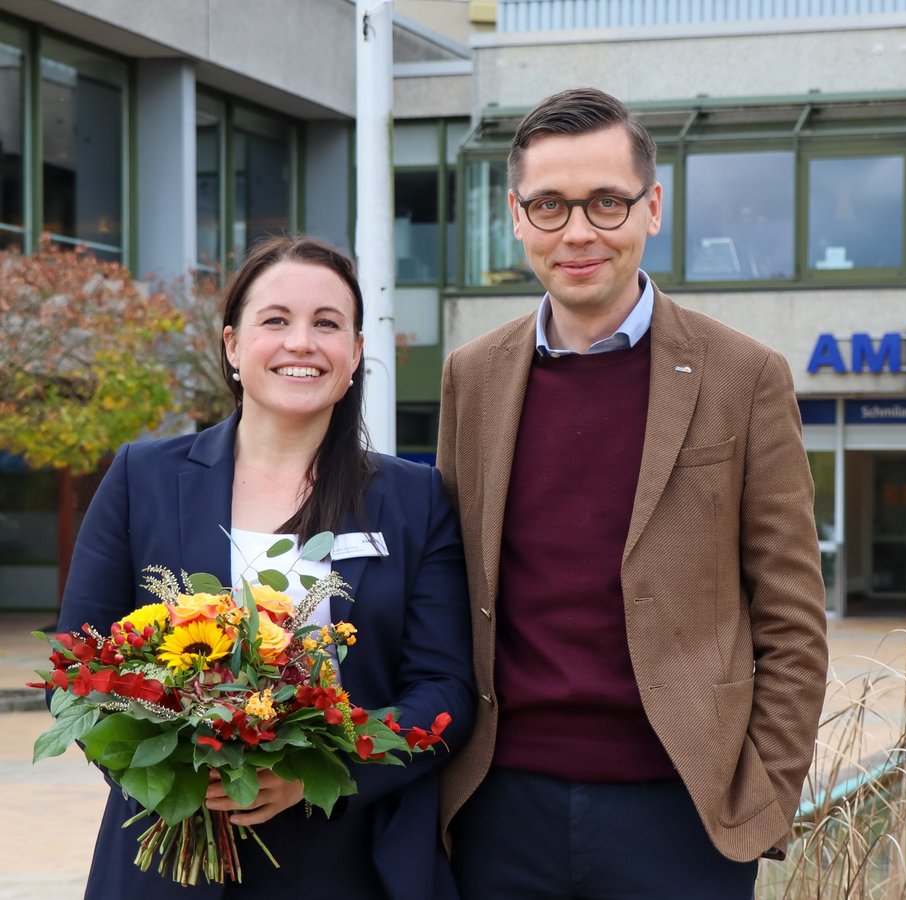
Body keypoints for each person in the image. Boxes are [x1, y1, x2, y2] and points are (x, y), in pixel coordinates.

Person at [437, 87, 829, 899]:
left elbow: (792, 614)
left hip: (681, 815)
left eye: (606, 203)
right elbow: (451, 584)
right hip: (496, 811)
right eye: (549, 205)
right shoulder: (471, 377)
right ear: (516, 216)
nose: (578, 231)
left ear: (652, 206)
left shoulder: (744, 375)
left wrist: (762, 797)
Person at [58, 236, 475, 899]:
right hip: (172, 860)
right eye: (276, 320)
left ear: (357, 352)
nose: (302, 342)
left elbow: (445, 690)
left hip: (353, 858)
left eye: (328, 324)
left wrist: (319, 772)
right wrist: (182, 771)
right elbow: (81, 666)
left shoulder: (415, 500)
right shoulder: (142, 478)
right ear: (232, 345)